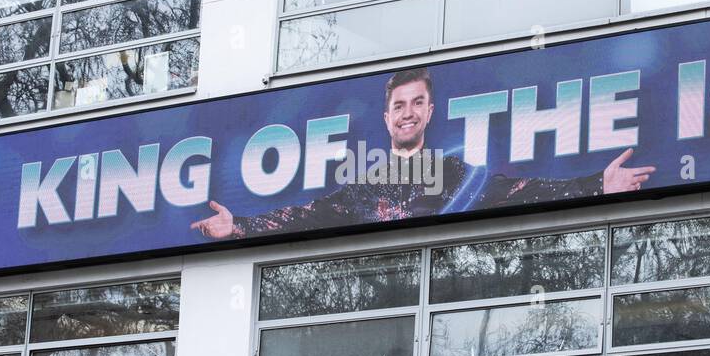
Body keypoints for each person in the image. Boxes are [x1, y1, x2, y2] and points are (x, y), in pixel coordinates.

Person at [191, 67, 655, 239]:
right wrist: (241, 227)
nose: (407, 113)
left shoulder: (454, 173)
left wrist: (596, 184)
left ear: (430, 111)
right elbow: (305, 216)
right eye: (399, 106)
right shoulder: (364, 183)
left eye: (416, 103)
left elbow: (522, 190)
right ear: (386, 117)